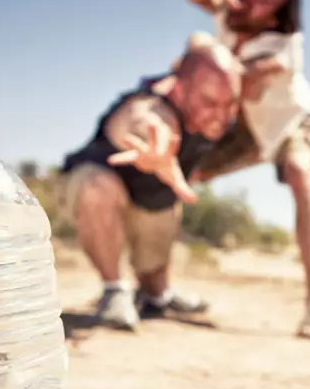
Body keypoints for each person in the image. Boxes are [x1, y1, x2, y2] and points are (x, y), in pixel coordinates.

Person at [183, 0, 310, 340]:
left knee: (300, 174)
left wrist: (207, 59)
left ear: (279, 13)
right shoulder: (232, 12)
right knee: (182, 174)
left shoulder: (286, 44)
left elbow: (249, 86)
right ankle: (152, 288)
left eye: (270, 0)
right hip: (245, 129)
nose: (259, 0)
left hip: (291, 123)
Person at [57, 32, 243, 330]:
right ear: (178, 89)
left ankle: (159, 294)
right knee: (97, 188)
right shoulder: (151, 104)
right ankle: (114, 290)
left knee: (154, 285)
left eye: (229, 104)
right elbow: (139, 120)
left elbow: (200, 40)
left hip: (152, 201)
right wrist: (155, 149)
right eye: (209, 102)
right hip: (99, 192)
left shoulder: (219, 106)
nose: (221, 116)